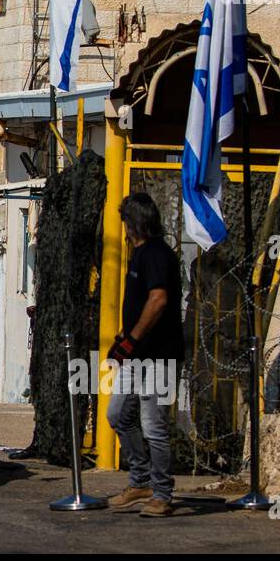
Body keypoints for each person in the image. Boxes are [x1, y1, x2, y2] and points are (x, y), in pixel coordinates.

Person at [106, 192, 184, 518]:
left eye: (125, 220)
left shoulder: (156, 254)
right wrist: (125, 338)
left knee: (153, 426)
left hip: (158, 356)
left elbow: (158, 300)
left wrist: (132, 339)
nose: (123, 228)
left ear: (134, 222)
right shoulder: (138, 255)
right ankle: (140, 481)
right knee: (118, 415)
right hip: (137, 354)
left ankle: (162, 492)